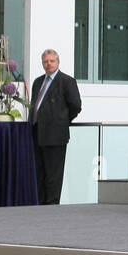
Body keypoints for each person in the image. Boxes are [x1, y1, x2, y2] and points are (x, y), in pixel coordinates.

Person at [29, 49, 82, 206]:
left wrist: (62, 120)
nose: (48, 64)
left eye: (52, 61)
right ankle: (40, 203)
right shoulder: (38, 82)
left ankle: (51, 206)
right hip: (37, 134)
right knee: (39, 173)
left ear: (58, 62)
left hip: (55, 135)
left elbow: (76, 105)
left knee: (53, 175)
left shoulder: (66, 81)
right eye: (46, 61)